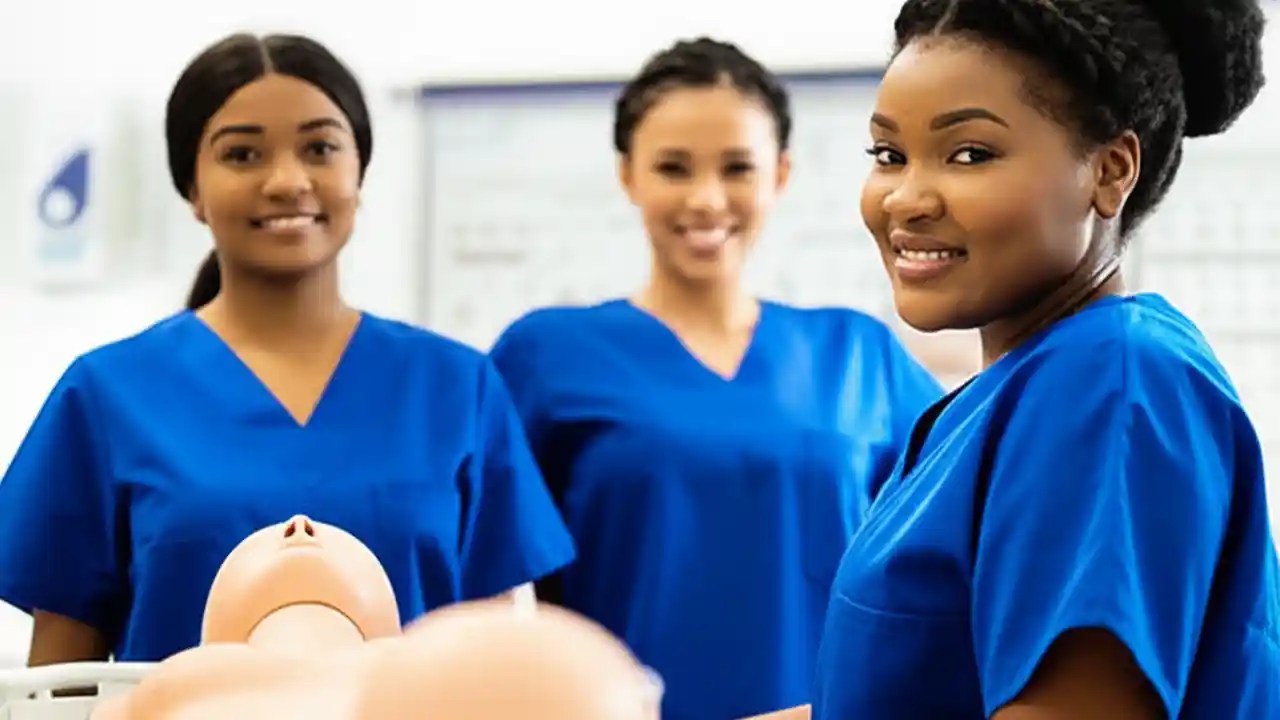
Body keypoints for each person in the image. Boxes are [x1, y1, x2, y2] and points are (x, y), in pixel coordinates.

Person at [0, 32, 574, 666]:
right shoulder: (106, 396)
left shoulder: (456, 388)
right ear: (192, 187)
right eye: (242, 154)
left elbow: (490, 667)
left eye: (320, 148)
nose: (287, 180)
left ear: (359, 172)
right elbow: (58, 685)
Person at [800, 0, 1279, 718]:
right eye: (888, 155)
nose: (905, 198)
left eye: (970, 154)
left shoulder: (1111, 385)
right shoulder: (1008, 394)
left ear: (1110, 171)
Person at [489, 37, 944, 720]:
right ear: (628, 176)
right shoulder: (544, 357)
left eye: (737, 167)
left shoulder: (859, 355)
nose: (706, 199)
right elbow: (488, 586)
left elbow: (954, 556)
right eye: (673, 168)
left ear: (781, 174)